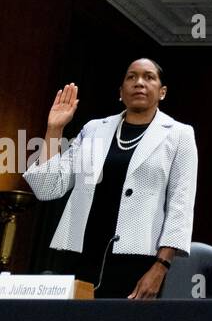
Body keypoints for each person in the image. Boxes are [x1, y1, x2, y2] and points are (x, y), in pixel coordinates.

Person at [22, 59, 197, 299]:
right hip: (81, 253)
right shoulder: (94, 129)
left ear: (162, 92)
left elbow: (181, 207)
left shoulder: (180, 135)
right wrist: (55, 129)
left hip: (138, 260)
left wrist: (160, 267)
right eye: (131, 77)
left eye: (149, 77)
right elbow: (48, 188)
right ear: (120, 92)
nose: (139, 83)